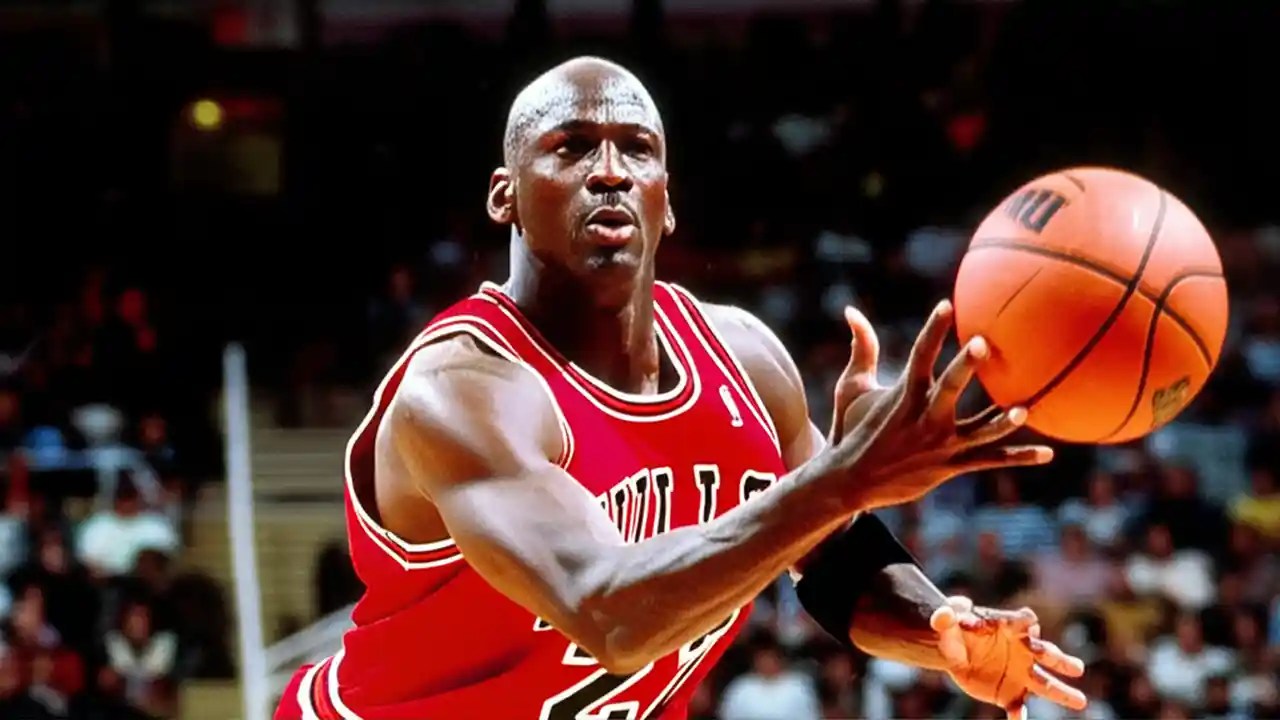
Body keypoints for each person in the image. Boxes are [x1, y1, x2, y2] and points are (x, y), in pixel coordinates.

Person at [273, 56, 1088, 720]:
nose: (609, 172)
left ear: (667, 206)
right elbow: (608, 615)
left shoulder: (744, 362)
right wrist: (842, 480)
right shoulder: (464, 389)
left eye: (636, 149)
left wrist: (937, 627)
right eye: (570, 146)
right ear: (505, 196)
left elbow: (831, 559)